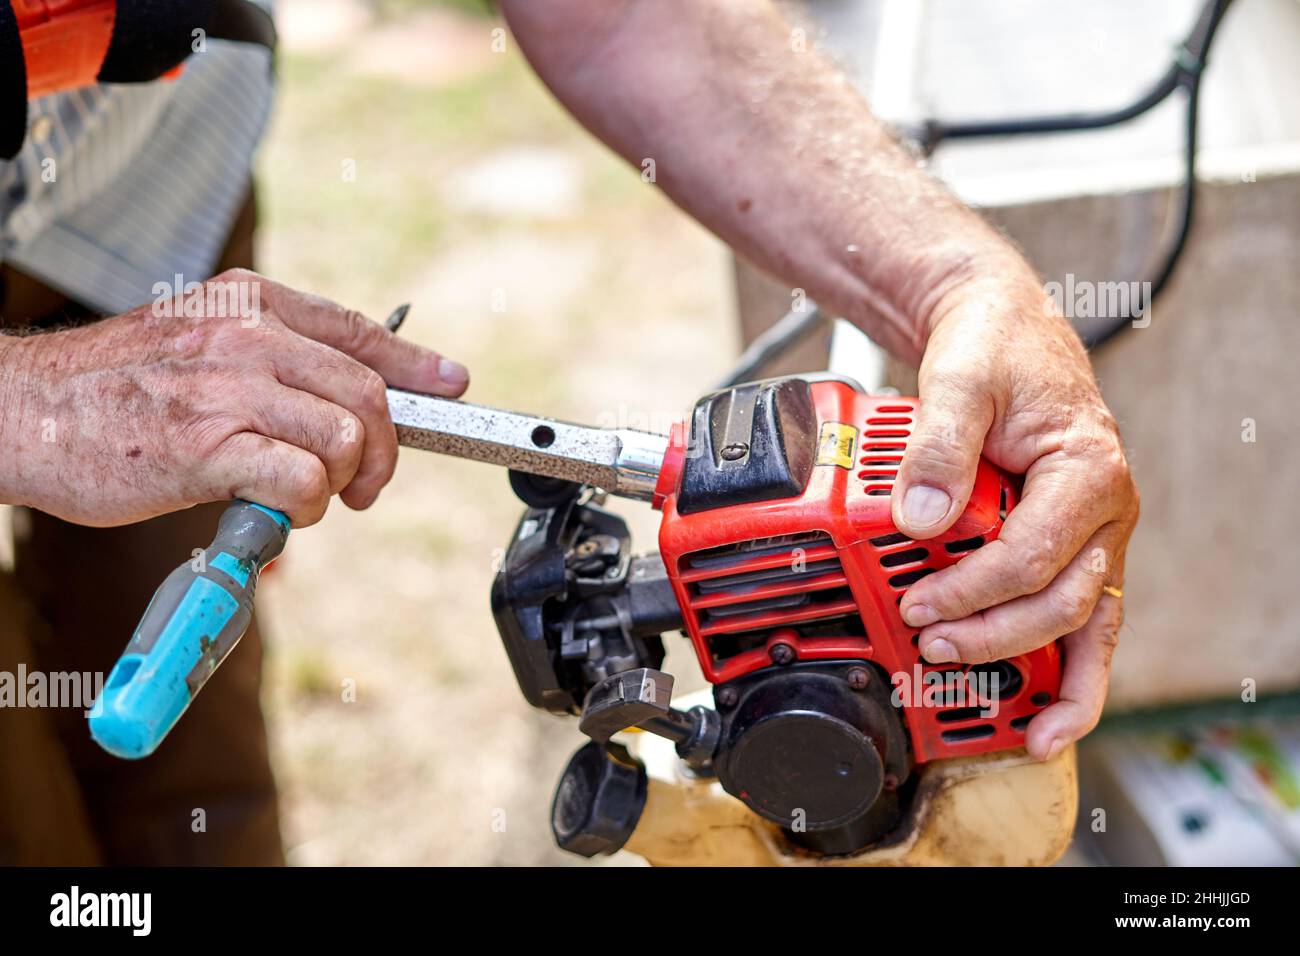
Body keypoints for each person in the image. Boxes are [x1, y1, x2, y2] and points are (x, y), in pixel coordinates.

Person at [0, 0, 1138, 864]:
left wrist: (962, 279)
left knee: (187, 782)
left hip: (138, 175)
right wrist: (36, 406)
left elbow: (625, 16)